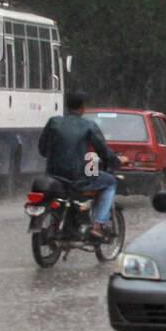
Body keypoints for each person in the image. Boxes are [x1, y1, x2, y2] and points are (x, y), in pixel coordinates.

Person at [38, 91, 119, 240]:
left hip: (53, 176)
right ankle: (98, 225)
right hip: (78, 177)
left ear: (66, 106)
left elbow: (42, 149)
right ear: (82, 107)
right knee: (110, 182)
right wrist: (117, 161)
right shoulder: (89, 125)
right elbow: (103, 151)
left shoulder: (53, 122)